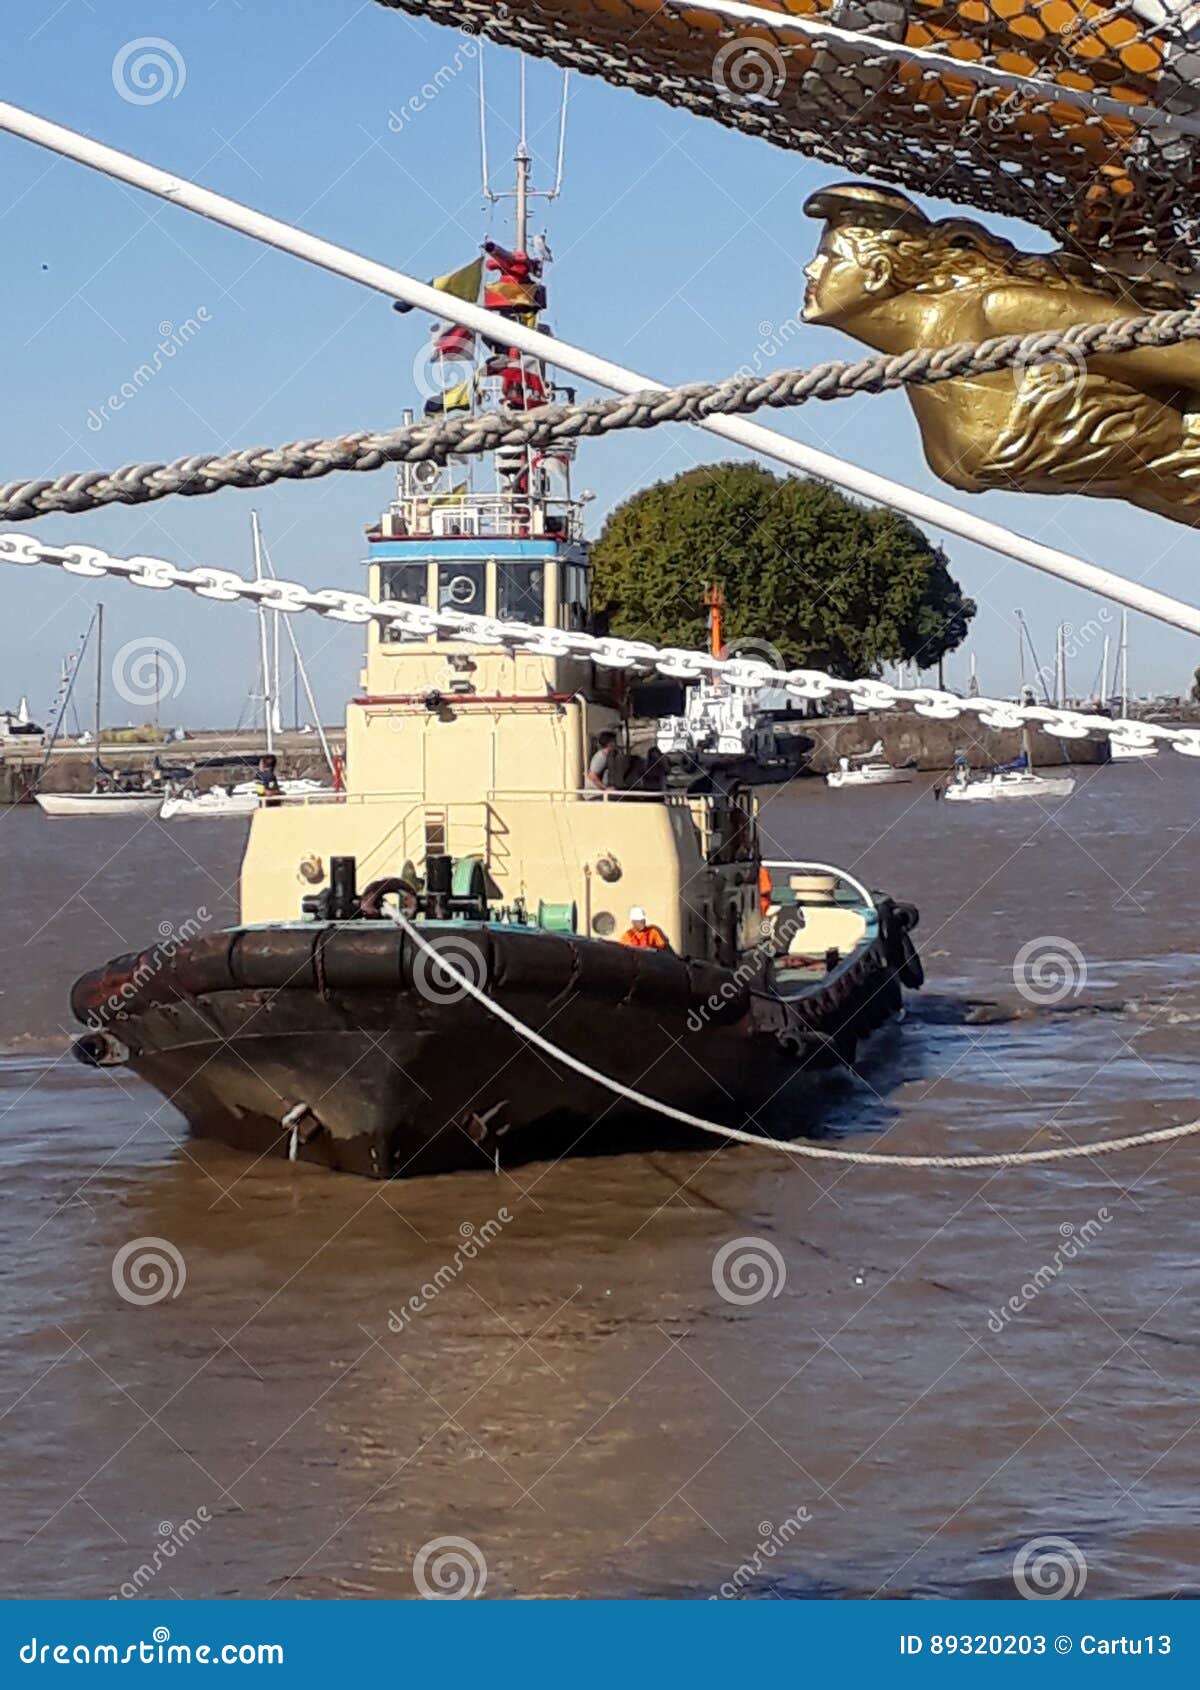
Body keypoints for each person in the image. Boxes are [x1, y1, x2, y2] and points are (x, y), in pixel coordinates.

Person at [586, 729, 617, 797]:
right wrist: (606, 789)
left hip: (599, 793)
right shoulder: (601, 756)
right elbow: (592, 775)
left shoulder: (607, 756)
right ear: (610, 743)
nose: (615, 744)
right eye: (614, 741)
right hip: (594, 794)